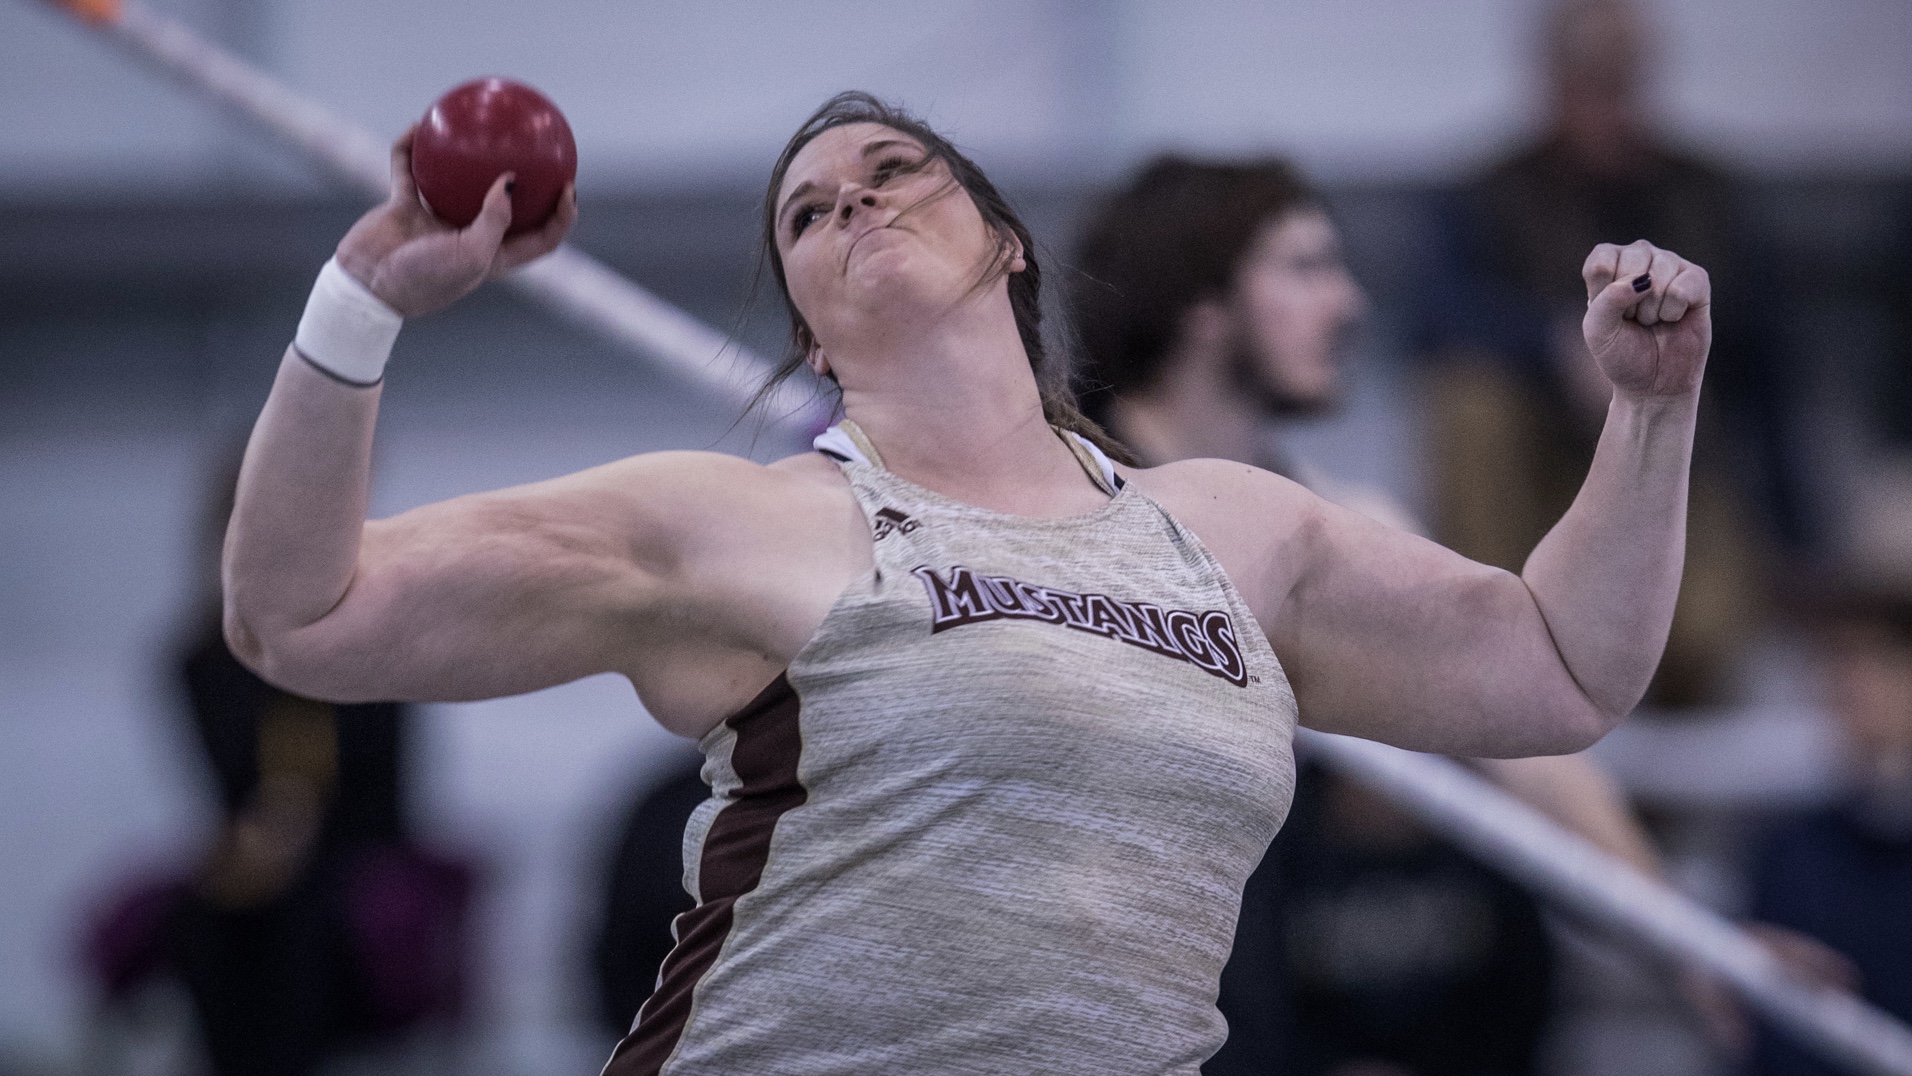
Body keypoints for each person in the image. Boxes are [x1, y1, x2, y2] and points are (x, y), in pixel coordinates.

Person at [223, 91, 1713, 1074]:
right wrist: (361, 306)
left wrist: (1650, 414)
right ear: (810, 332)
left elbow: (1562, 670)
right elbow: (300, 616)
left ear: (1005, 245)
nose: (856, 207)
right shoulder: (733, 527)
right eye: (810, 214)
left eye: (895, 175)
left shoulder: (1231, 533)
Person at [1071, 156, 1663, 1076]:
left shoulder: (1347, 529)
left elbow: (1536, 748)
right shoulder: (1053, 515)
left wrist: (1695, 946)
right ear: (1201, 302)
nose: (1348, 304)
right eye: (1305, 268)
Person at [1417, 0, 1797, 709]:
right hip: (1540, 472)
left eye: (1623, 79)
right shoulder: (1483, 195)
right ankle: (1495, 643)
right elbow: (1431, 317)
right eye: (1591, 80)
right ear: (1551, 83)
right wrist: (1557, 344)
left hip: (1678, 470)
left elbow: (1768, 375)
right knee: (1467, 397)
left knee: (1700, 647)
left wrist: (1796, 543)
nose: (1610, 104)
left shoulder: (1706, 195)